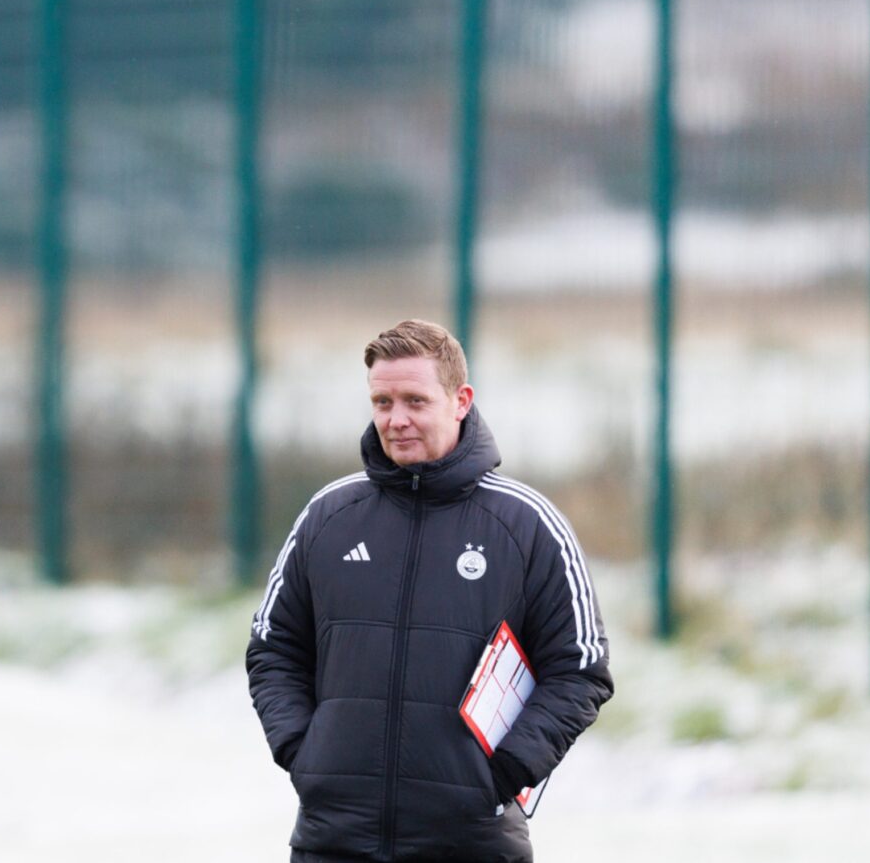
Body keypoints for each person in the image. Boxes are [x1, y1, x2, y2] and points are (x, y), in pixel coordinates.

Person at [244, 319, 612, 862]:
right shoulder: (328, 517)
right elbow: (273, 650)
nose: (396, 420)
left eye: (415, 401)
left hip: (470, 841)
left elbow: (580, 669)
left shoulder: (527, 525)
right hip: (335, 838)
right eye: (382, 402)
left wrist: (503, 772)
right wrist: (306, 754)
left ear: (460, 400)